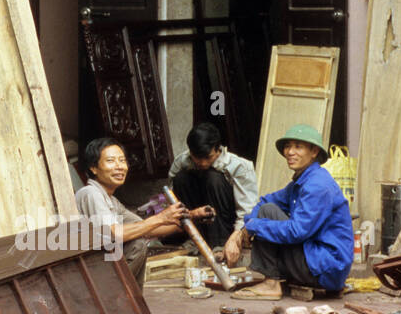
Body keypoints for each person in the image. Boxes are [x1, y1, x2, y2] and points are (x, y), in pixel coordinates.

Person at [75, 137, 212, 287]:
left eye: (122, 160)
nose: (120, 166)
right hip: (87, 270)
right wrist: (161, 217)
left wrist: (193, 215)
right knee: (137, 244)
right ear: (93, 168)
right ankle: (113, 296)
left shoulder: (111, 201)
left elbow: (147, 229)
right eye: (111, 161)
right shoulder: (91, 193)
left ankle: (128, 299)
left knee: (139, 239)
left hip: (100, 263)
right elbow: (114, 234)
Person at [237, 124, 354, 299]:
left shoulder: (317, 185)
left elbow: (296, 232)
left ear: (314, 152)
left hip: (324, 269)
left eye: (298, 147)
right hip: (315, 261)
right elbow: (266, 200)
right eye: (288, 146)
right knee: (267, 209)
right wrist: (243, 229)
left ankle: (271, 284)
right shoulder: (301, 182)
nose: (290, 152)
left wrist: (253, 226)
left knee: (267, 215)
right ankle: (274, 280)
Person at [168, 122, 258, 265]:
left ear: (218, 149)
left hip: (226, 224)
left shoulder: (239, 166)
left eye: (208, 157)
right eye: (197, 158)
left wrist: (236, 238)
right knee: (181, 178)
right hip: (199, 216)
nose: (202, 163)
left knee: (213, 177)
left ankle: (220, 243)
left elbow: (248, 210)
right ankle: (193, 238)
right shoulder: (182, 161)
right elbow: (172, 198)